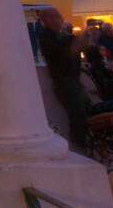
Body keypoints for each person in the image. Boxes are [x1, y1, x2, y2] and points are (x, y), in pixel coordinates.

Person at [37, 8, 89, 151]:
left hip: (72, 80)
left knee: (84, 112)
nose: (61, 19)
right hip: (65, 81)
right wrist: (83, 37)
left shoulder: (61, 36)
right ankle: (79, 147)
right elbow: (68, 52)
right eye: (58, 17)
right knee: (78, 115)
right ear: (49, 19)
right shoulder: (48, 36)